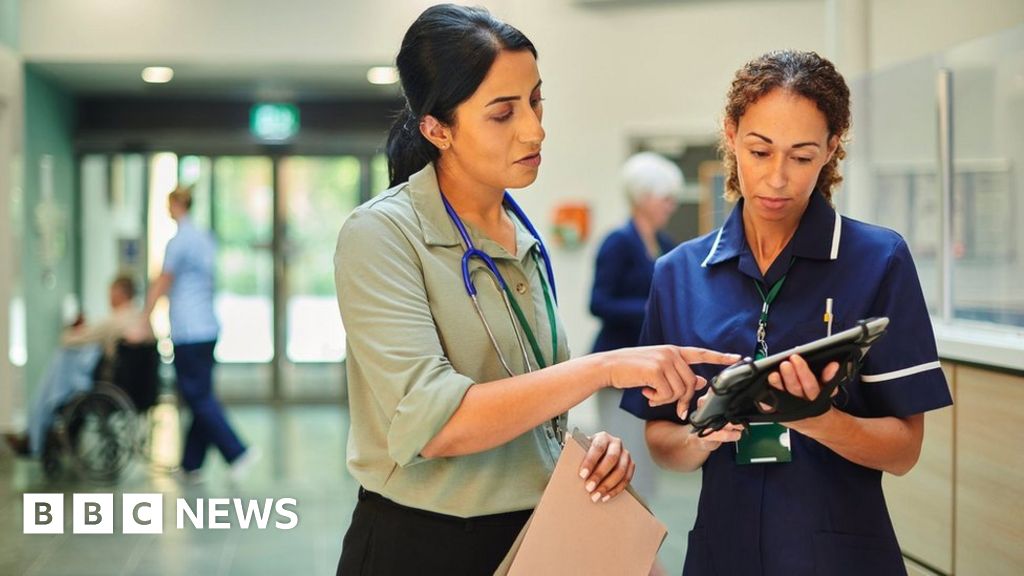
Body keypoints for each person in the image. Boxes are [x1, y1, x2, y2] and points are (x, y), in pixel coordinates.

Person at [333, 5, 738, 575]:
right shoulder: (381, 235)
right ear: (436, 129)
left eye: (536, 100)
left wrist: (584, 450)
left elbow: (527, 399)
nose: (535, 129)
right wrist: (602, 368)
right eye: (503, 113)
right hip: (424, 544)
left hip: (537, 531)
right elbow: (439, 423)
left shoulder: (520, 233)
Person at [621, 50, 953, 576]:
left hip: (840, 554)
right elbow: (661, 439)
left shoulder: (878, 260)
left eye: (801, 156)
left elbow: (904, 449)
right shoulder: (678, 273)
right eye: (760, 151)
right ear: (731, 135)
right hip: (721, 552)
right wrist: (702, 436)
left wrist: (818, 419)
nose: (777, 178)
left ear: (831, 149)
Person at [589, 151, 682, 508]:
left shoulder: (665, 245)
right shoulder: (618, 243)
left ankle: (640, 552)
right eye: (665, 198)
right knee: (625, 467)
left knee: (645, 470)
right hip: (616, 374)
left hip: (648, 376)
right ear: (643, 198)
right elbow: (599, 303)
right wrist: (649, 310)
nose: (671, 206)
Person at [143, 185, 255, 482]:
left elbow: (163, 281)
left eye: (169, 205)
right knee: (199, 396)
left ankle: (237, 451)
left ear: (176, 205)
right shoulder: (204, 237)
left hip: (189, 331)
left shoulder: (179, 241)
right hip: (207, 327)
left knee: (198, 396)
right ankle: (192, 465)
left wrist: (144, 316)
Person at [4, 275, 153, 457]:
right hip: (138, 390)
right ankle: (36, 433)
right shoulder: (141, 319)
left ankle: (34, 436)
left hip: (111, 385)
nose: (109, 298)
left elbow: (68, 339)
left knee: (62, 359)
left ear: (120, 293)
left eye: (110, 293)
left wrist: (74, 328)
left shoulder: (115, 320)